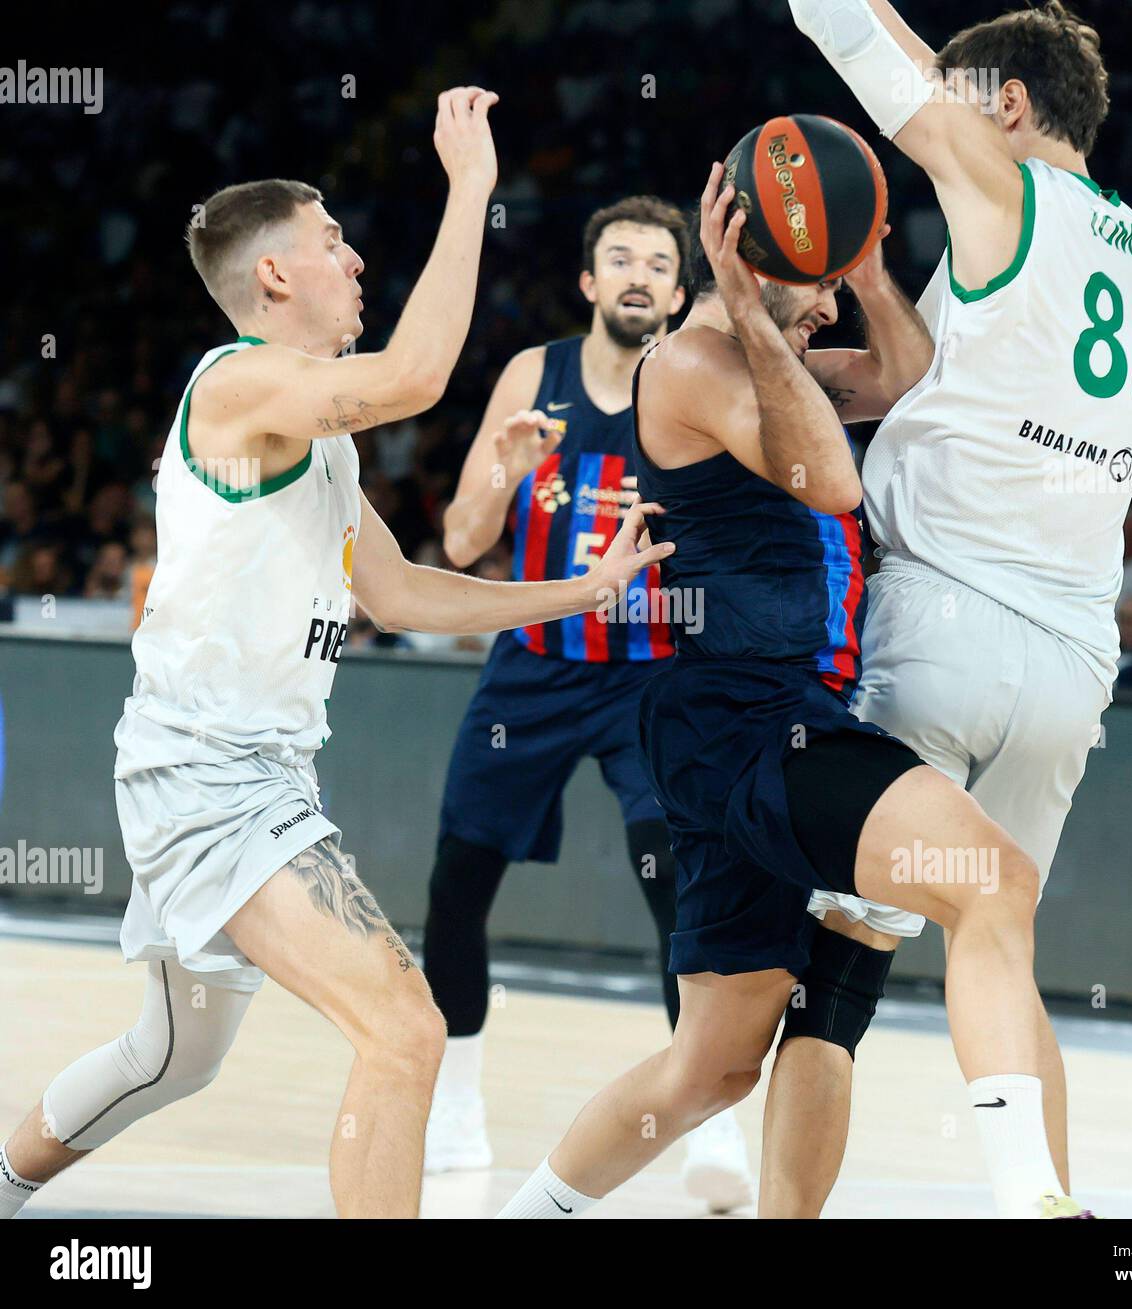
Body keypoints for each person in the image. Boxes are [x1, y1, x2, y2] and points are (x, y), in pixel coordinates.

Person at [0, 87, 672, 1222]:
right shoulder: (237, 382)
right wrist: (471, 192)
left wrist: (586, 586)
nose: (357, 260)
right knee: (404, 1028)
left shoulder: (321, 446)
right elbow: (413, 378)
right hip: (210, 774)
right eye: (333, 242)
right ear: (273, 278)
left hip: (247, 773)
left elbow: (402, 592)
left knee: (172, 1056)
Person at [496, 155, 1132, 1221]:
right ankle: (1035, 1207)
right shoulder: (692, 360)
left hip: (758, 728)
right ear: (752, 264)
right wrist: (743, 300)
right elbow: (828, 478)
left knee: (713, 1068)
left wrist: (866, 272)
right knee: (989, 879)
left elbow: (913, 377)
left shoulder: (777, 364)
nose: (829, 307)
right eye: (815, 281)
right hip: (748, 723)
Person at [751, 0, 1132, 1217]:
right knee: (999, 939)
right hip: (1070, 660)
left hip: (944, 625)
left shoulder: (1010, 193)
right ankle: (1054, 1203)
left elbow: (855, 39)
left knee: (838, 975)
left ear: (1004, 103)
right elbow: (938, 386)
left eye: (962, 100)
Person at [421, 196, 754, 1210]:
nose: (640, 275)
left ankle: (715, 1118)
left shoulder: (694, 383)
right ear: (588, 282)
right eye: (620, 258)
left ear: (681, 291)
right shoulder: (536, 375)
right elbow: (464, 540)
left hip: (652, 676)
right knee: (457, 884)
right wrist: (504, 471)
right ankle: (458, 1096)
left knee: (678, 894)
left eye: (659, 261)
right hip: (533, 664)